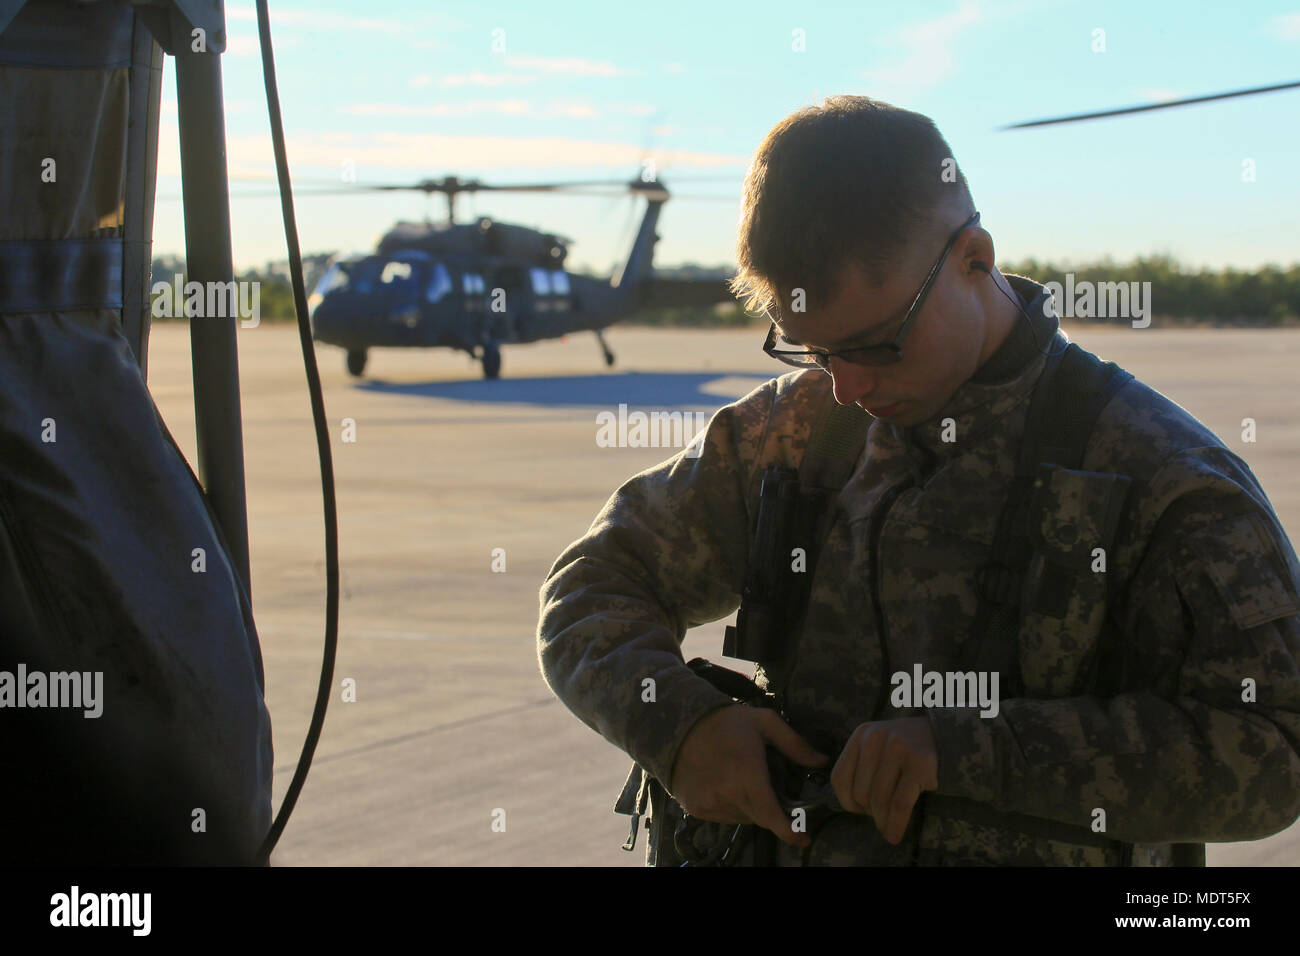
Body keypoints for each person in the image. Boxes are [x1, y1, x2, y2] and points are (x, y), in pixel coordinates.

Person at [535, 96, 1300, 865]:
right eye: (812, 351)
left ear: (974, 258)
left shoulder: (1157, 475)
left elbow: (1275, 748)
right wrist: (682, 726)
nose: (846, 388)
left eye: (878, 345)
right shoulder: (800, 436)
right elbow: (593, 585)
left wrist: (967, 752)